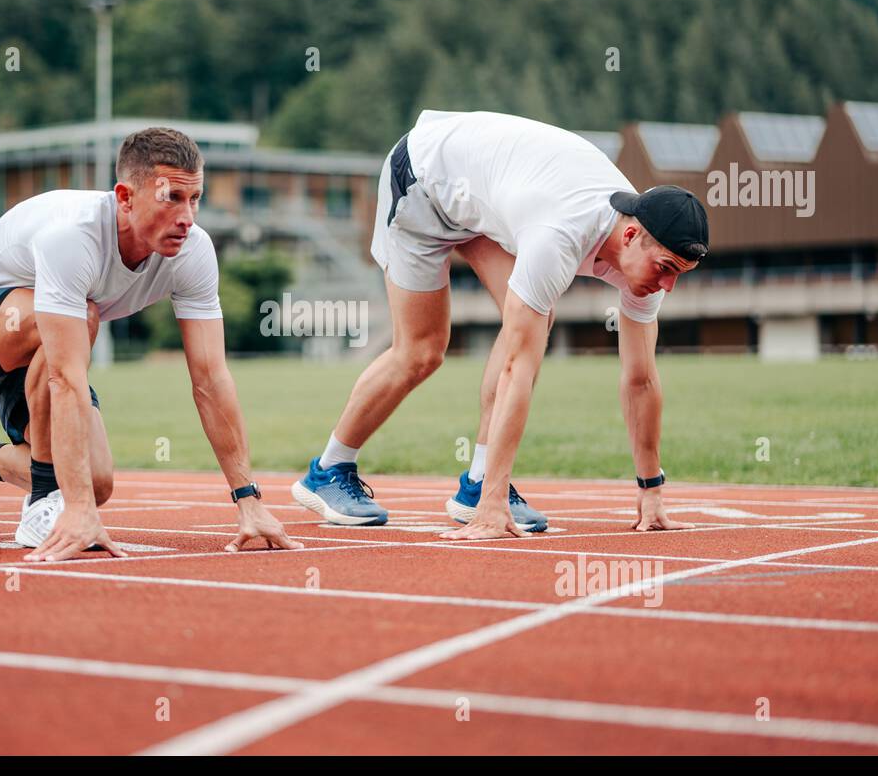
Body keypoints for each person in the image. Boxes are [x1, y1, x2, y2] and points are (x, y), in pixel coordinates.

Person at [291, 110, 710, 538]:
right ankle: (329, 469)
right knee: (422, 350)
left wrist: (651, 489)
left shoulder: (647, 247)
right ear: (628, 237)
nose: (669, 286)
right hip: (424, 180)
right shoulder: (558, 236)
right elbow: (517, 368)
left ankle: (478, 482)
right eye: (665, 269)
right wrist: (494, 510)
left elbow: (639, 378)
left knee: (535, 318)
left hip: (484, 196)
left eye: (680, 273)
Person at [0, 127, 301, 561]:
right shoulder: (72, 236)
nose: (187, 217)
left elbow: (211, 378)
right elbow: (65, 377)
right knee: (83, 318)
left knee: (95, 481)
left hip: (50, 336)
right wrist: (74, 508)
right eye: (171, 197)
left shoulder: (193, 251)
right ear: (125, 197)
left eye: (195, 199)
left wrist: (249, 501)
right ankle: (45, 500)